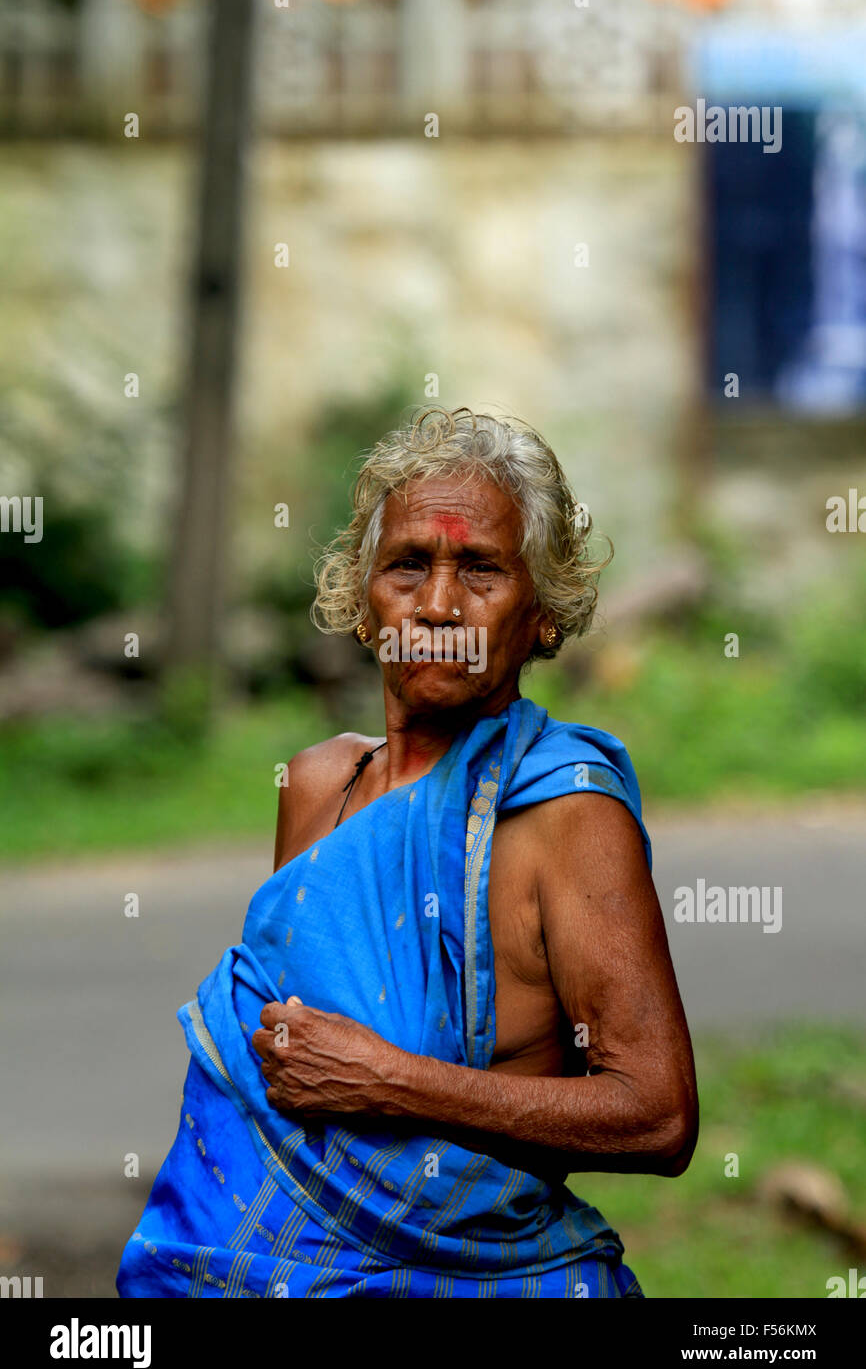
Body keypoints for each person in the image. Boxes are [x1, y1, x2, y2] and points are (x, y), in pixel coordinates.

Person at [117, 405, 697, 1299]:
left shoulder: (565, 814)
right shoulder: (318, 787)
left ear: (541, 614)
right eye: (407, 566)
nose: (437, 605)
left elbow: (657, 1116)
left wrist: (392, 1082)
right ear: (363, 602)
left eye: (480, 570)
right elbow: (279, 1076)